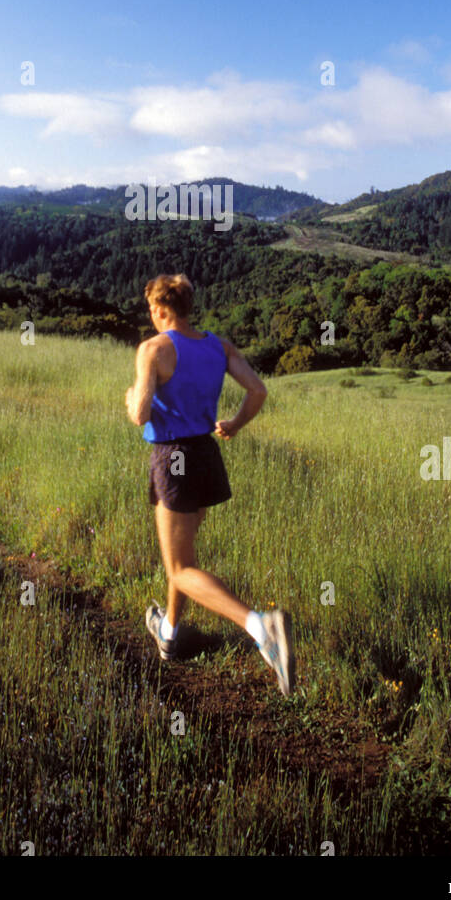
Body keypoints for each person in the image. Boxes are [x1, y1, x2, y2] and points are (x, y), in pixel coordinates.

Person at [125, 272, 295, 696]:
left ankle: (261, 627)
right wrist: (234, 424)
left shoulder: (153, 350)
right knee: (181, 557)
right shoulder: (217, 345)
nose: (150, 316)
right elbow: (257, 390)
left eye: (151, 309)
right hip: (204, 453)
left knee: (180, 568)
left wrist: (130, 398)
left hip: (174, 456)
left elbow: (141, 414)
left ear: (161, 309)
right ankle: (169, 631)